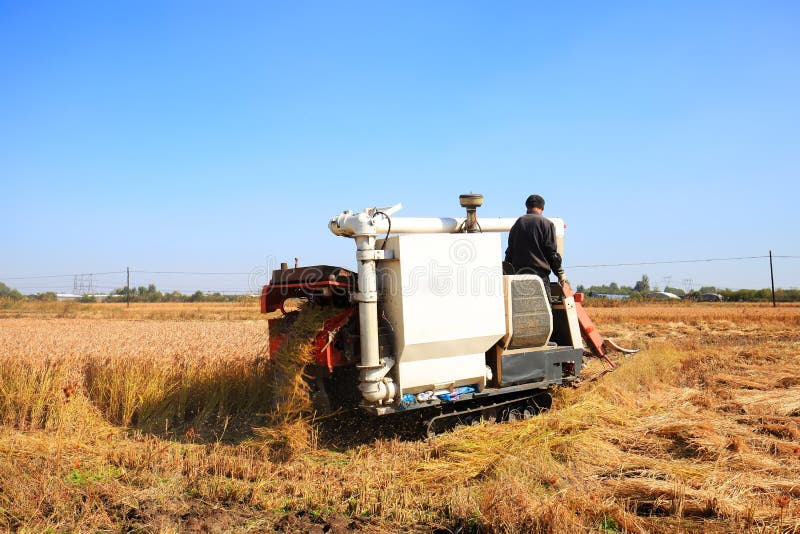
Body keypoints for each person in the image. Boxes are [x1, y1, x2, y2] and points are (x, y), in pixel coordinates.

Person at [504, 194, 568, 302]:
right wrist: (560, 274)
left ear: (527, 206)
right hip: (539, 278)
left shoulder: (516, 225)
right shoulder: (546, 224)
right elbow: (551, 254)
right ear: (542, 208)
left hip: (519, 279)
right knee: (543, 311)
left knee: (521, 310)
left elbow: (509, 254)